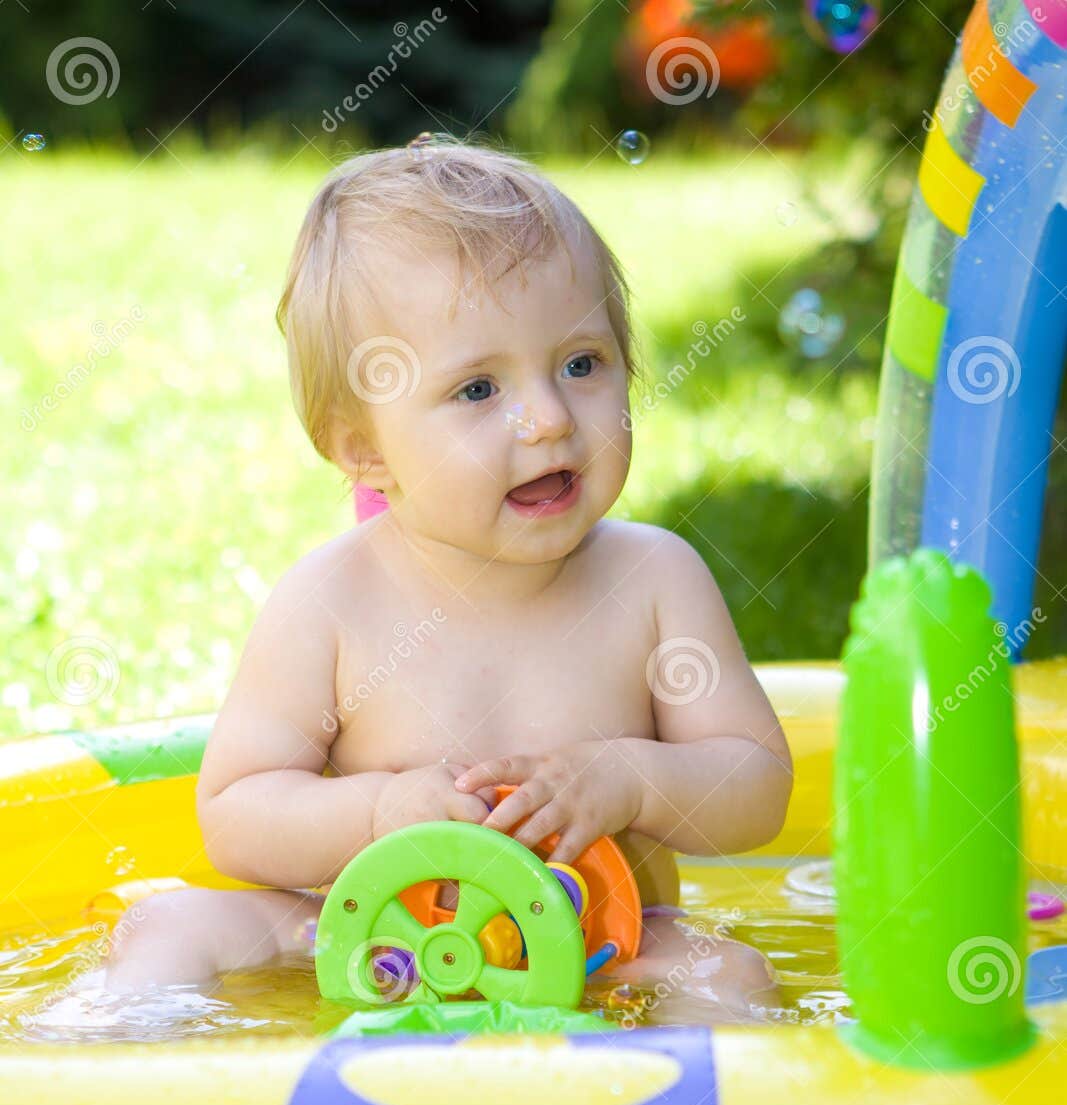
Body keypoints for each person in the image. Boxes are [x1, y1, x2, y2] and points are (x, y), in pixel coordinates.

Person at [104, 140, 792, 1021]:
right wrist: (383, 809)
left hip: (600, 946)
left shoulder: (652, 579)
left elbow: (756, 788)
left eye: (582, 363)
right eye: (476, 390)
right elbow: (237, 812)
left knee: (726, 974)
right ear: (362, 450)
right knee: (172, 923)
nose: (547, 419)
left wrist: (627, 779)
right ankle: (113, 1074)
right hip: (367, 941)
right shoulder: (332, 603)